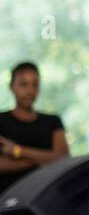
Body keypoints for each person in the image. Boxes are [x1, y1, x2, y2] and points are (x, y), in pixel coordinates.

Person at [0, 62, 69, 195]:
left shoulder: (52, 121)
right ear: (11, 87)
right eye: (23, 84)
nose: (30, 91)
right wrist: (44, 159)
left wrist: (17, 151)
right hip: (7, 199)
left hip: (46, 196)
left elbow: (63, 157)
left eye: (35, 84)